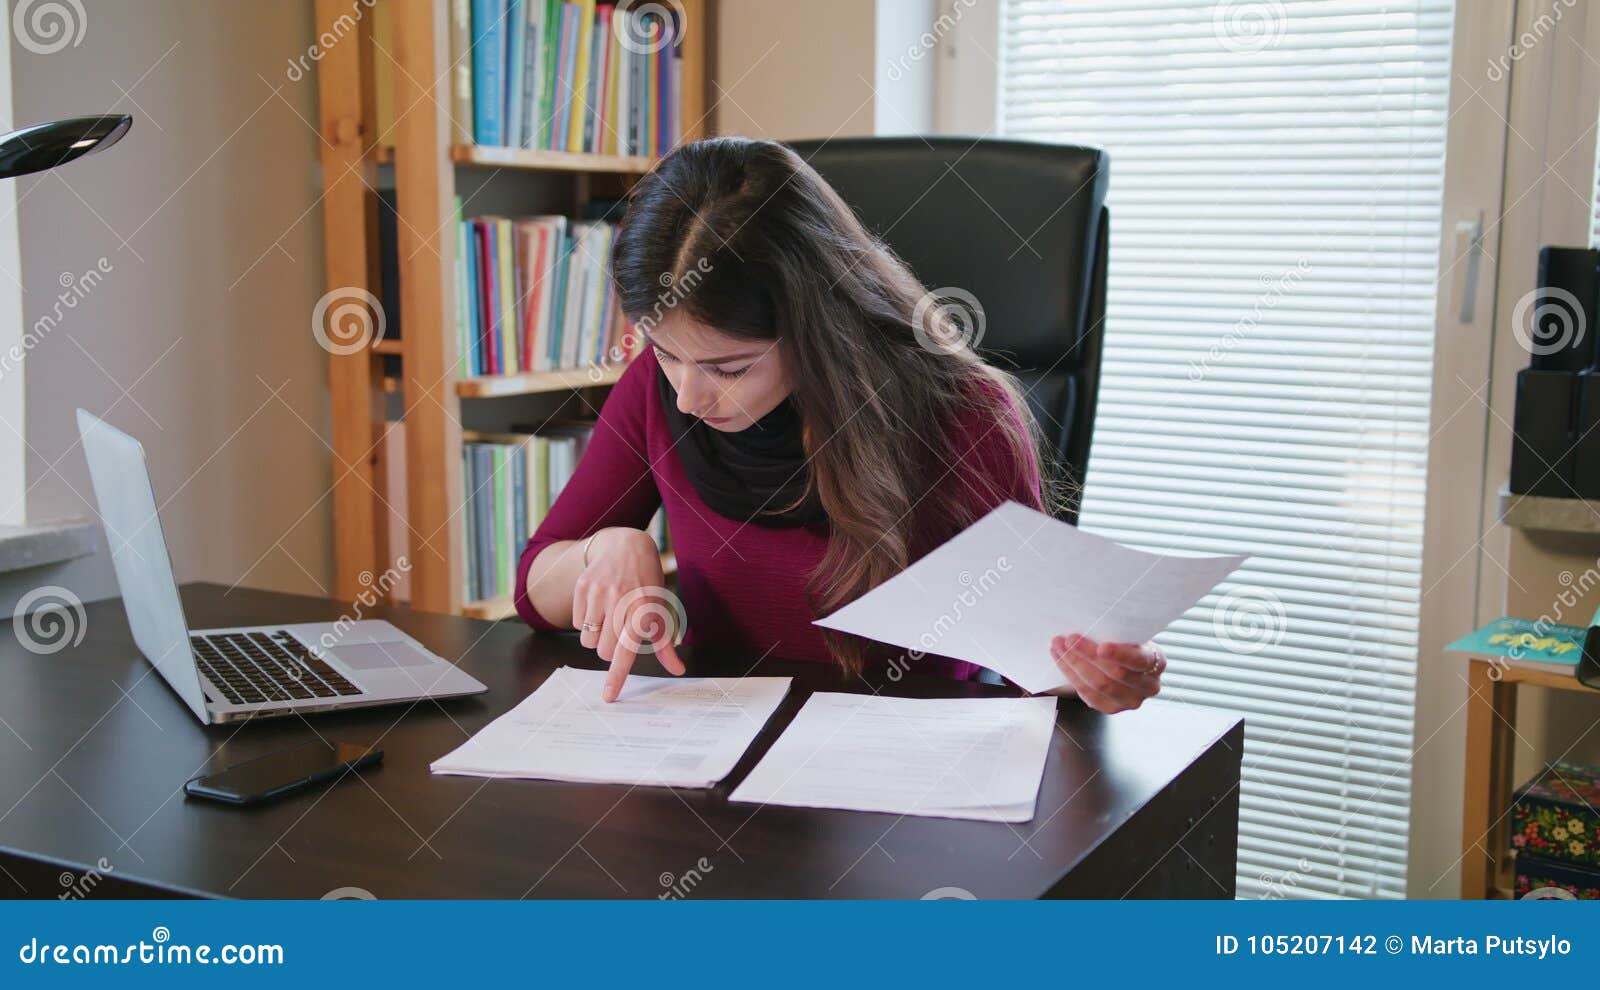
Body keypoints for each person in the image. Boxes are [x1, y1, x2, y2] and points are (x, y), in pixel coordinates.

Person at [515, 136, 1164, 713]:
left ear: (815, 329)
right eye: (663, 351)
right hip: (720, 755)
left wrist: (1092, 672)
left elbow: (1034, 656)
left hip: (905, 777)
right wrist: (600, 553)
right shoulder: (659, 388)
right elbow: (531, 592)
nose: (688, 397)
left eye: (731, 369)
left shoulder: (964, 413)